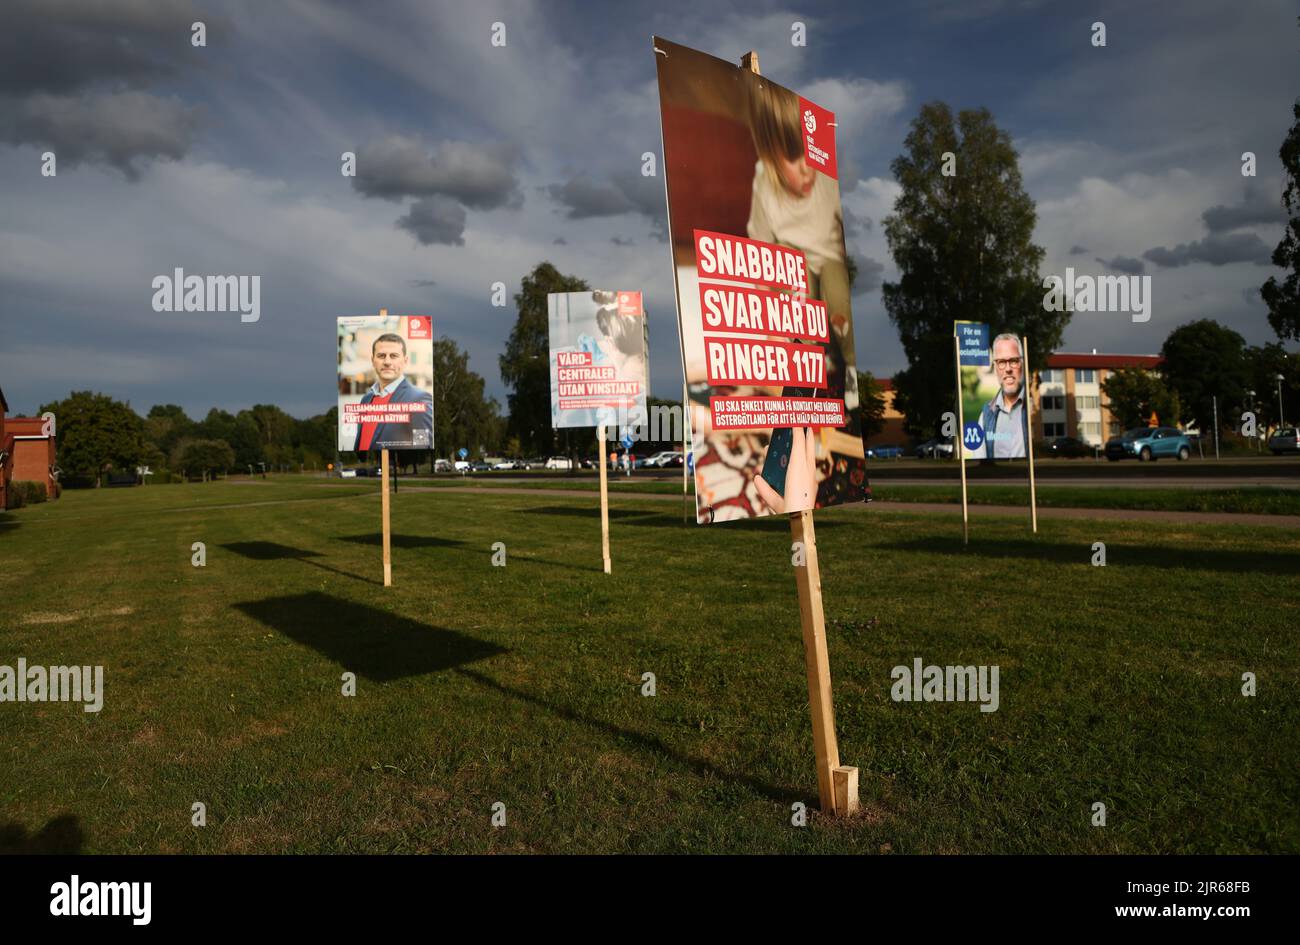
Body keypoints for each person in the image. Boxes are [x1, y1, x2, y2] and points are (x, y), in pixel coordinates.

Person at [744, 78, 849, 514]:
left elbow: (834, 253)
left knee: (811, 387)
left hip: (827, 283)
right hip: (795, 291)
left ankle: (780, 482)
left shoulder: (821, 181)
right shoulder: (763, 187)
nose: (806, 170)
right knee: (801, 388)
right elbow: (760, 256)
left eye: (810, 159)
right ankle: (783, 482)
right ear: (770, 156)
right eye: (792, 159)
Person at [352, 333, 433, 451]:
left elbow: (424, 446)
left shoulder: (419, 399)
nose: (387, 362)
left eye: (394, 356)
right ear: (373, 360)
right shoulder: (366, 400)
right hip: (369, 467)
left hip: (397, 467)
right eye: (381, 356)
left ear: (405, 361)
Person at [978, 333, 1029, 459]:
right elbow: (981, 461)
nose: (1008, 369)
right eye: (1001, 362)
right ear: (995, 368)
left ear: (1022, 363)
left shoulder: (1032, 408)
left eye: (1013, 361)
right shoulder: (986, 415)